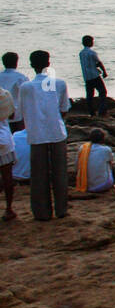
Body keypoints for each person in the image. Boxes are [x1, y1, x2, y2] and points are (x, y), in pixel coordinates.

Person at [16, 51, 70, 221]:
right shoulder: (59, 83)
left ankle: (42, 212)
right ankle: (61, 209)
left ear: (32, 65)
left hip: (36, 133)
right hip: (56, 132)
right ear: (48, 63)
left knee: (39, 175)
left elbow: (21, 111)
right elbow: (64, 109)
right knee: (60, 173)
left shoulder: (26, 87)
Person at [75, 127, 115, 194]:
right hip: (102, 186)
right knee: (109, 164)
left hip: (85, 185)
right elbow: (111, 162)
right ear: (103, 139)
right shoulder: (106, 150)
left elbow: (77, 166)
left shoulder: (82, 148)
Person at [78, 35, 109, 117]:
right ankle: (102, 110)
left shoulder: (81, 53)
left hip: (87, 77)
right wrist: (104, 72)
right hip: (94, 76)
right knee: (102, 92)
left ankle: (92, 112)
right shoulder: (92, 53)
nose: (93, 43)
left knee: (89, 95)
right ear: (89, 42)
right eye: (92, 41)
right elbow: (98, 63)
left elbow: (88, 64)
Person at [0, 53, 28, 131]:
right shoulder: (21, 77)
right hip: (16, 115)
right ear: (16, 62)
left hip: (1, 113)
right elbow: (26, 96)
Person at [0, 87, 16, 220]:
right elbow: (12, 115)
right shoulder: (5, 94)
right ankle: (9, 208)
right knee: (7, 177)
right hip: (3, 139)